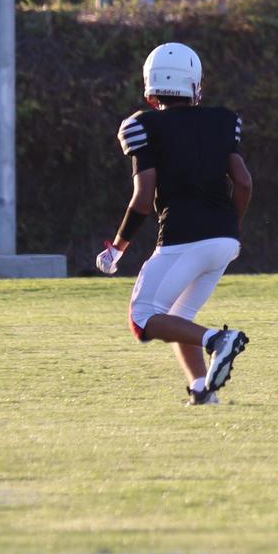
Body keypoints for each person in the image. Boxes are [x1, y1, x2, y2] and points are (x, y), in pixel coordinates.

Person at [98, 42, 251, 404]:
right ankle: (202, 391)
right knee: (181, 315)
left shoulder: (141, 124)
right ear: (195, 85)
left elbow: (143, 195)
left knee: (143, 318)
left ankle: (219, 340)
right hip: (225, 240)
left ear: (151, 91)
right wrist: (233, 225)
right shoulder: (223, 119)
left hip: (184, 237)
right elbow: (244, 182)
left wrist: (118, 247)